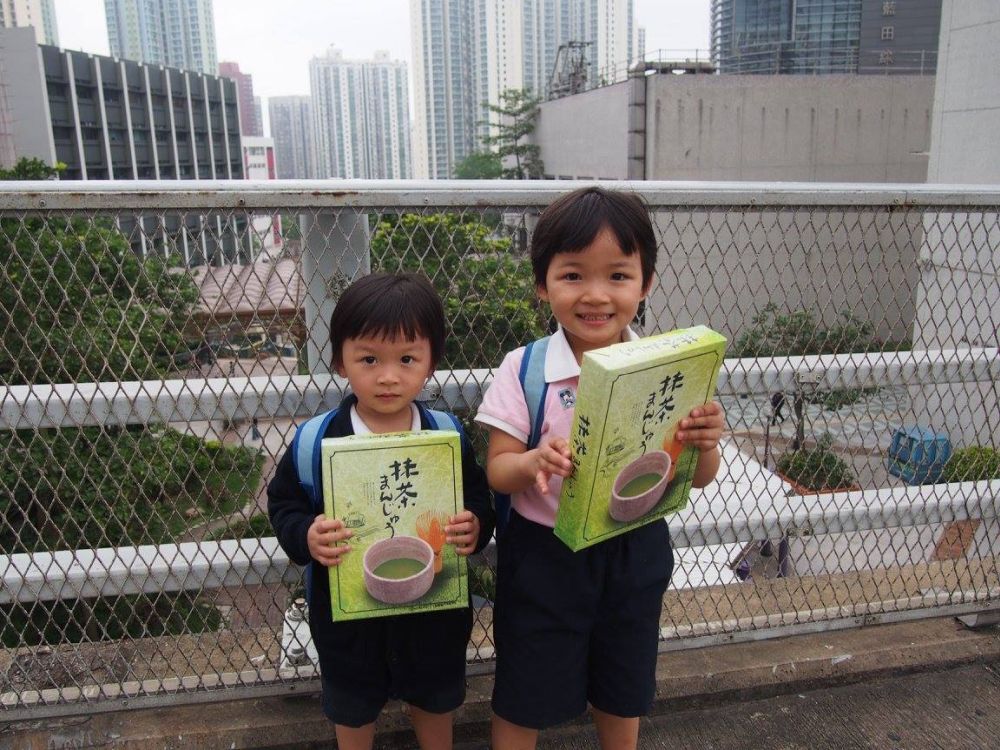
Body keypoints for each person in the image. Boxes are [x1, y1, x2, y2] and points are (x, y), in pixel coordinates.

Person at [475, 186, 726, 750]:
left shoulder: (667, 367)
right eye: (572, 276)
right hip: (545, 554)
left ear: (646, 282)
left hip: (634, 546)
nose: (596, 295)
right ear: (543, 284)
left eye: (617, 276)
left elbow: (697, 474)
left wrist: (706, 444)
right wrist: (533, 461)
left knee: (624, 680)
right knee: (525, 689)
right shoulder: (526, 368)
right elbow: (497, 470)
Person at [268, 273, 494, 750]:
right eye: (369, 359)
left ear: (431, 361)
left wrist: (475, 524)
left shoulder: (447, 435)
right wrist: (306, 535)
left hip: (433, 620)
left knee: (435, 700)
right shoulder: (317, 440)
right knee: (352, 705)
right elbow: (284, 503)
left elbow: (476, 495)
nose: (388, 375)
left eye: (407, 359)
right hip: (347, 624)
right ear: (340, 360)